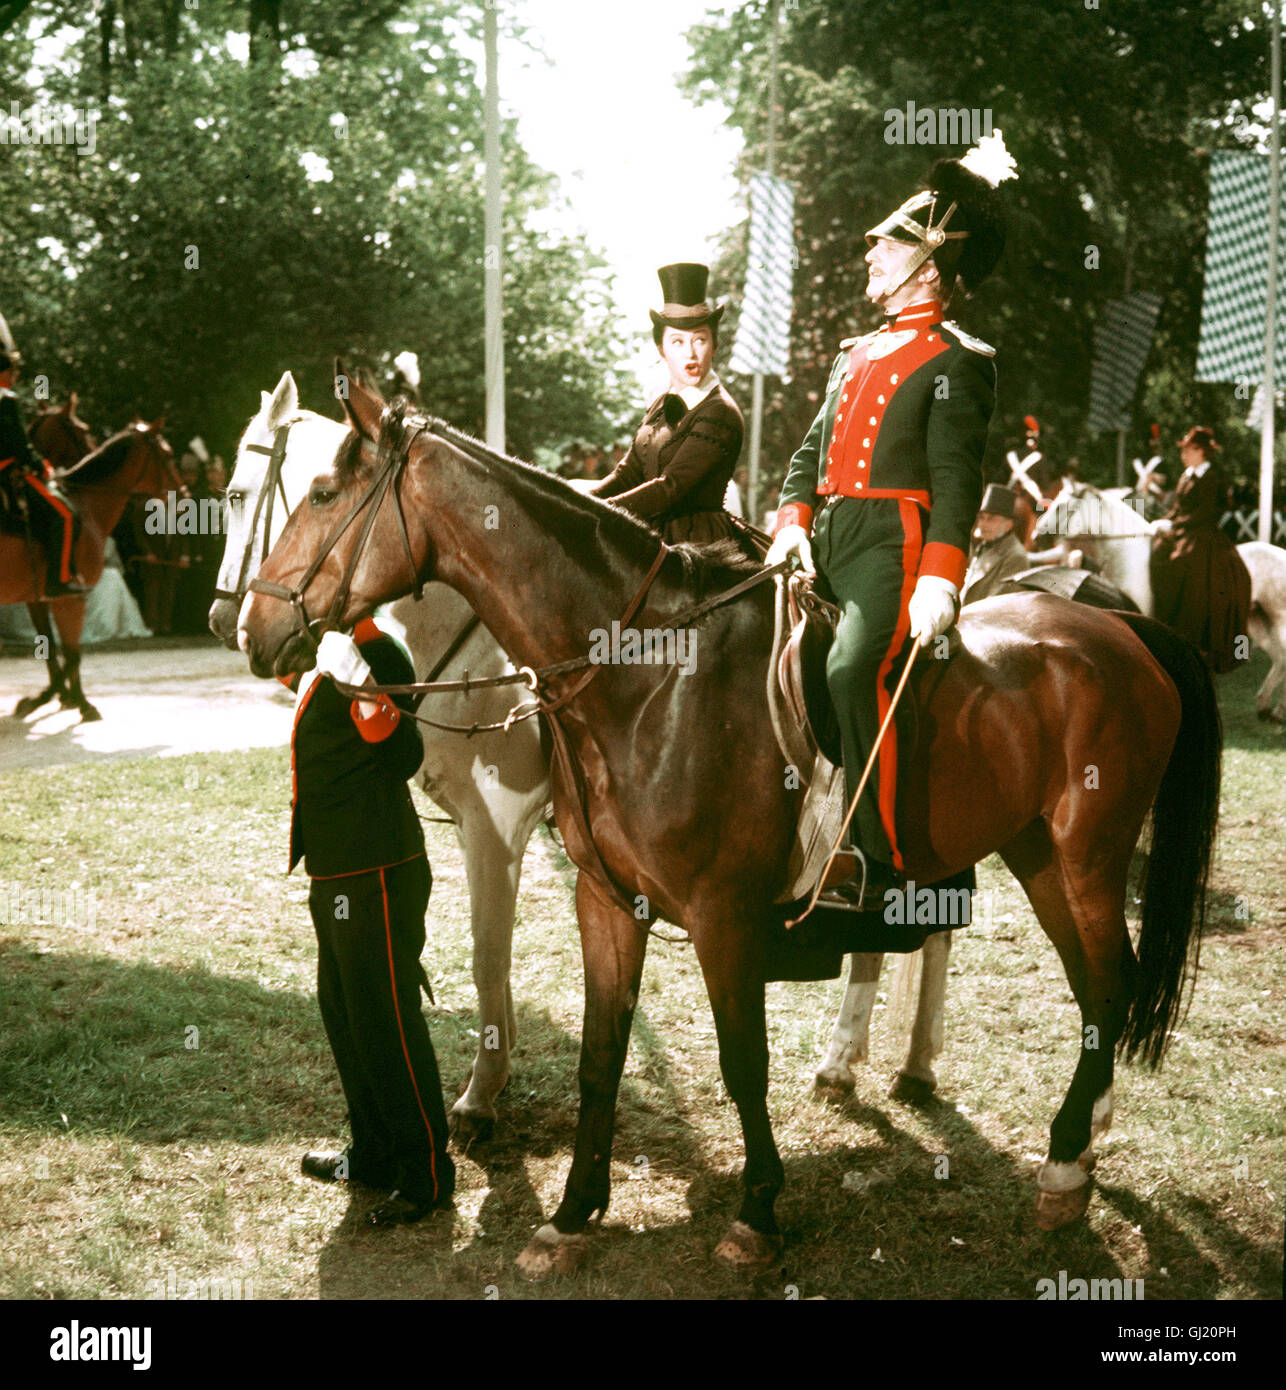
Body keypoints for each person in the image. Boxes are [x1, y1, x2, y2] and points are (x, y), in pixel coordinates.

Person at [765, 132, 1016, 907]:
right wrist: (791, 521)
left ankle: (882, 860)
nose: (872, 252)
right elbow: (810, 451)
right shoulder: (856, 352)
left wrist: (942, 578)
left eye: (890, 243)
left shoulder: (957, 360)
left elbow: (955, 482)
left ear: (931, 263)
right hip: (828, 538)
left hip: (890, 544)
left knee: (851, 669)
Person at [287, 616, 454, 1225]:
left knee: (385, 1021)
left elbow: (405, 755)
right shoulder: (323, 646)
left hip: (378, 870)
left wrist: (359, 682)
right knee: (346, 1015)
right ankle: (376, 1154)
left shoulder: (379, 654)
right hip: (336, 872)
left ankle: (425, 1173)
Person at [591, 263, 744, 545]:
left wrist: (597, 512)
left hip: (697, 545)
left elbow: (671, 488)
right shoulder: (662, 403)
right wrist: (578, 500)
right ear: (661, 349)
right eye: (677, 341)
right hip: (653, 536)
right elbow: (627, 474)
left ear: (715, 344)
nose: (690, 353)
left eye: (700, 339)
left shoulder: (719, 410)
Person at [1150, 426, 1252, 674]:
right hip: (1185, 528)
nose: (1183, 454)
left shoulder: (1211, 477)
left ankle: (1191, 629)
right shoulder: (1187, 474)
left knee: (1183, 560)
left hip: (1203, 532)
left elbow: (1205, 512)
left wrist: (1175, 524)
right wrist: (1164, 521)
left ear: (1200, 451)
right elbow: (1178, 506)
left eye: (1187, 450)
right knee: (1157, 551)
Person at [0, 313, 87, 597]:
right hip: (6, 472)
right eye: (13, 372)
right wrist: (41, 466)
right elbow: (18, 447)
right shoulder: (6, 400)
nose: (15, 377)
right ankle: (58, 580)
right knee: (66, 514)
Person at [962, 484, 1030, 605]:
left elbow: (999, 604)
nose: (983, 524)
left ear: (1008, 525)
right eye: (982, 517)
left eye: (992, 519)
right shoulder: (984, 545)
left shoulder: (1015, 556)